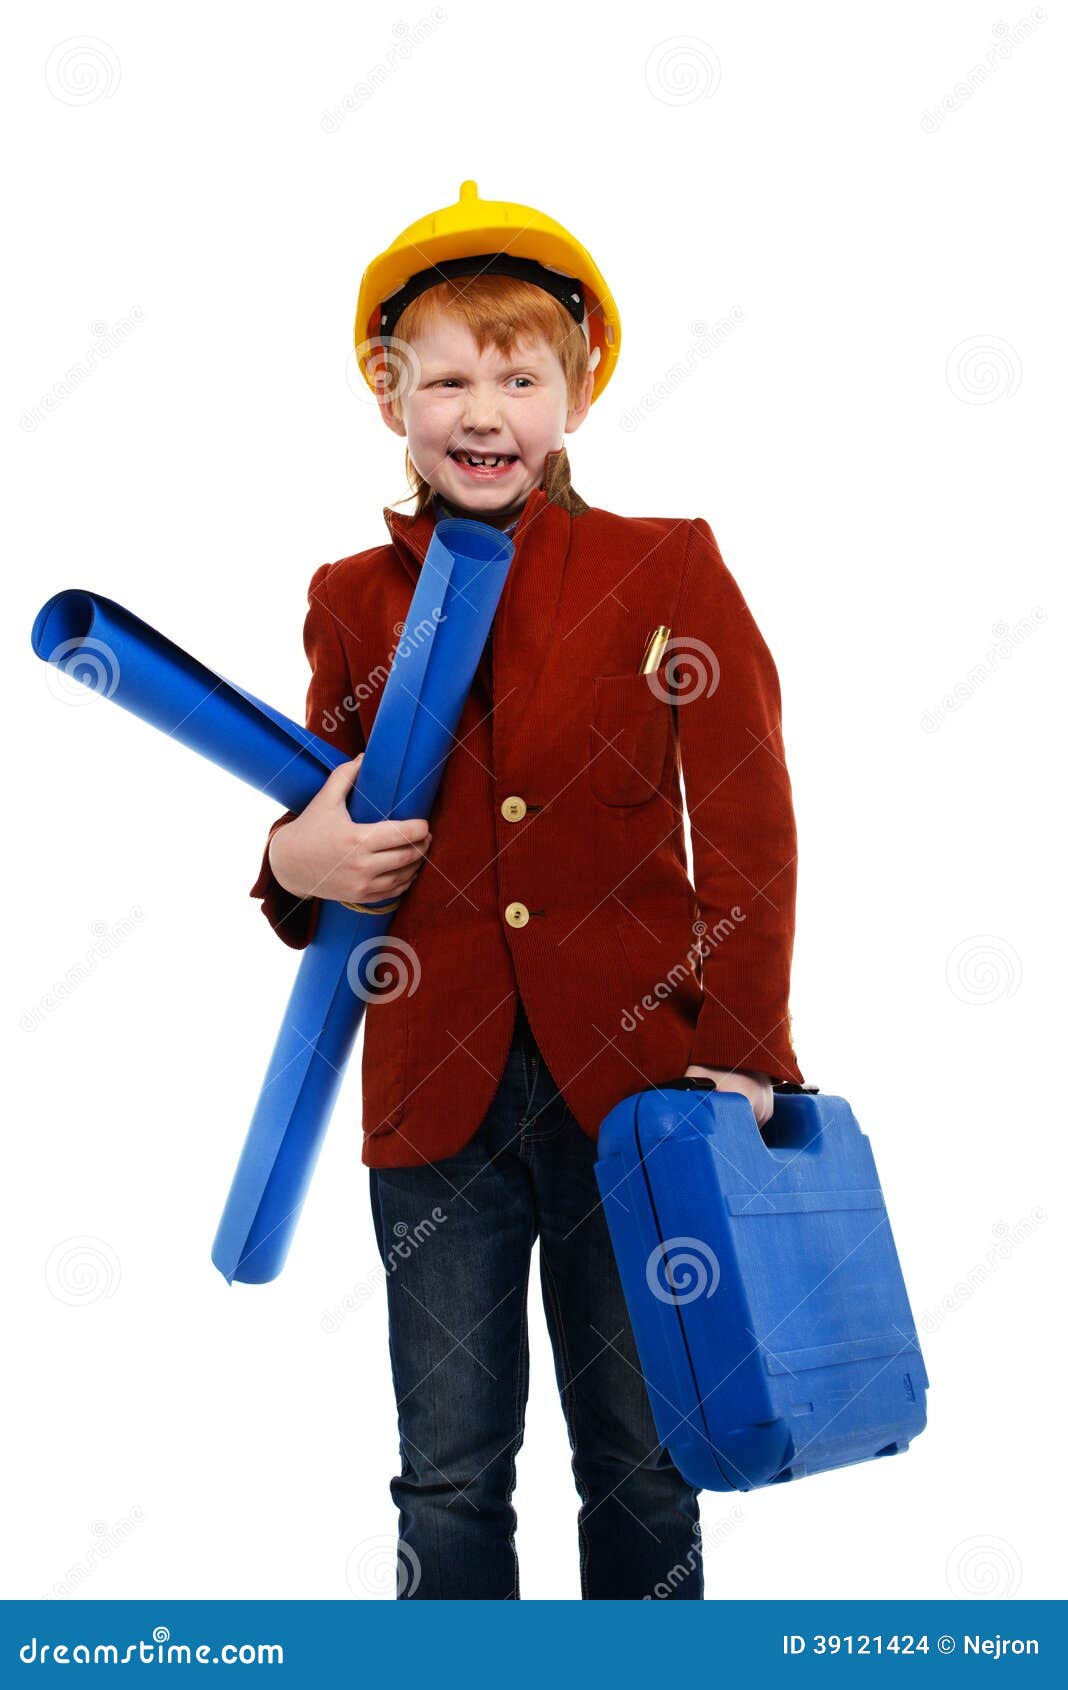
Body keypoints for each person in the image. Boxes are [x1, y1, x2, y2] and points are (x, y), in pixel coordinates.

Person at [249, 180, 805, 1599]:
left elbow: (745, 819)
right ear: (393, 400)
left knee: (642, 1451)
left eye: (519, 373)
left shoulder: (660, 564)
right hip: (434, 1091)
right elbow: (325, 813)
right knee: (446, 1464)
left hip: (643, 1094)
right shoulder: (349, 596)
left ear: (577, 391)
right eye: (443, 377)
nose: (481, 407)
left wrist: (743, 1048)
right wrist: (290, 866)